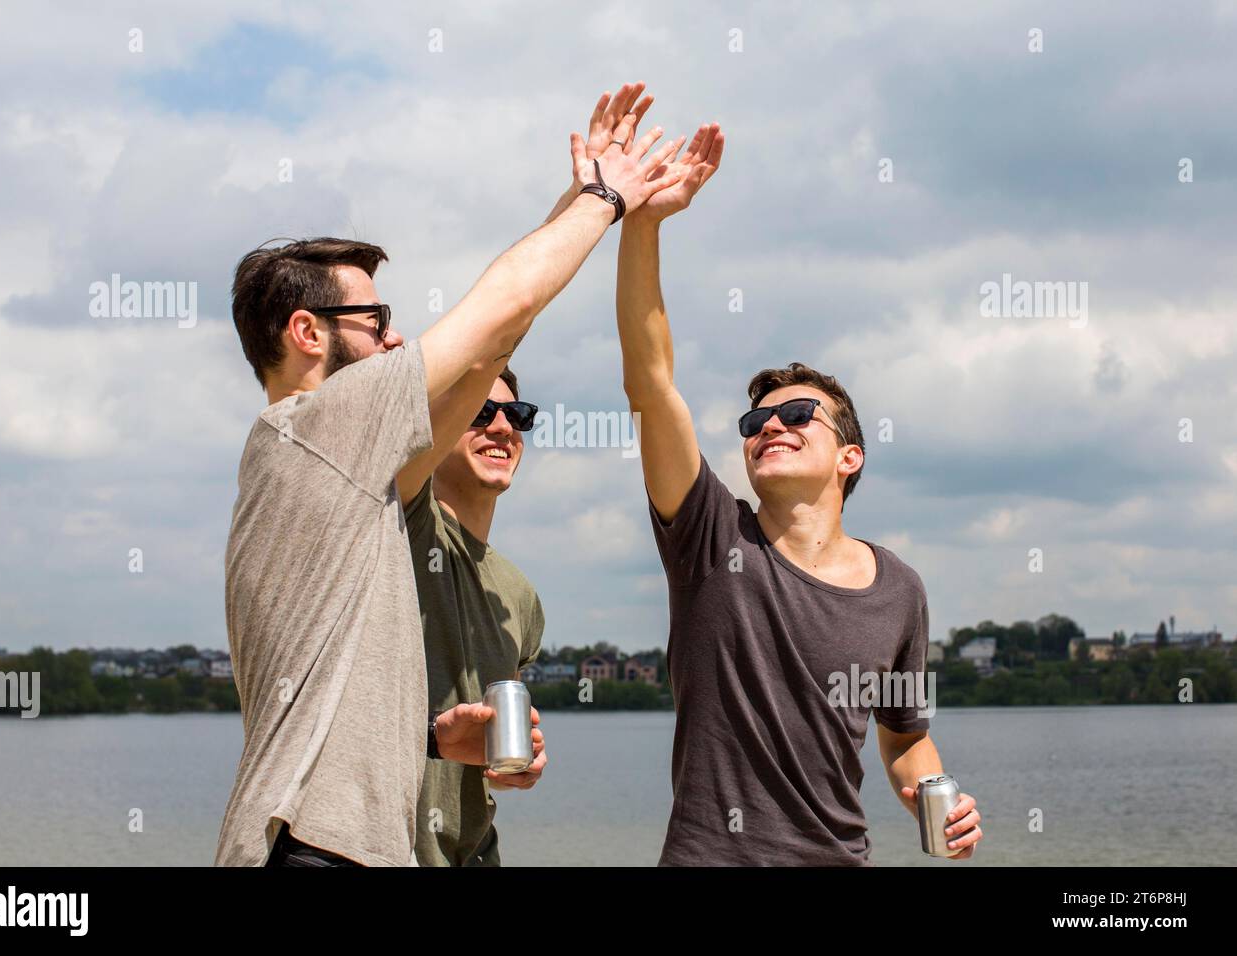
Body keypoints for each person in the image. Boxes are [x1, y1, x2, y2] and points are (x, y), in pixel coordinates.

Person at [215, 84, 686, 866]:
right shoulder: (316, 428)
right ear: (306, 333)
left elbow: (491, 346)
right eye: (376, 322)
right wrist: (605, 199)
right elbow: (495, 312)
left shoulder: (345, 476)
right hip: (312, 851)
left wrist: (435, 736)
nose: (397, 342)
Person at [613, 123, 984, 865]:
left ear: (850, 455)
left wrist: (939, 792)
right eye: (754, 421)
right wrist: (643, 225)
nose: (769, 427)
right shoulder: (709, 538)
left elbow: (904, 735)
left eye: (794, 414)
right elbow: (650, 380)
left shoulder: (900, 589)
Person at [402, 368, 545, 866]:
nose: (504, 428)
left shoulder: (520, 597)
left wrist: (516, 763)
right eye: (480, 412)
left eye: (518, 415)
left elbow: (486, 743)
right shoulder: (401, 522)